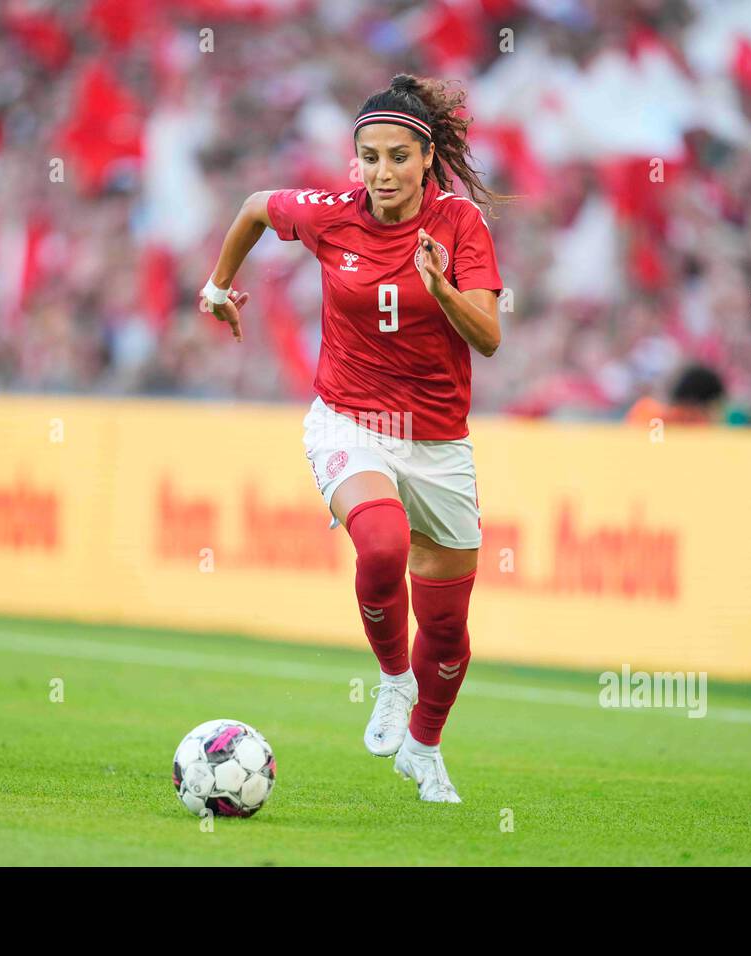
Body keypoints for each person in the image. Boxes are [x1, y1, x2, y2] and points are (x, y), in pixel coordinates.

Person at [200, 74, 506, 802]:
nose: (383, 173)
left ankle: (424, 746)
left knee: (452, 634)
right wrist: (217, 288)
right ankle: (393, 681)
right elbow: (251, 209)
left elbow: (490, 337)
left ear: (427, 158)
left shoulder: (460, 226)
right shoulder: (330, 215)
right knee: (382, 545)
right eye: (369, 157)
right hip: (349, 419)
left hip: (437, 442)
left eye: (398, 157)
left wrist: (443, 291)